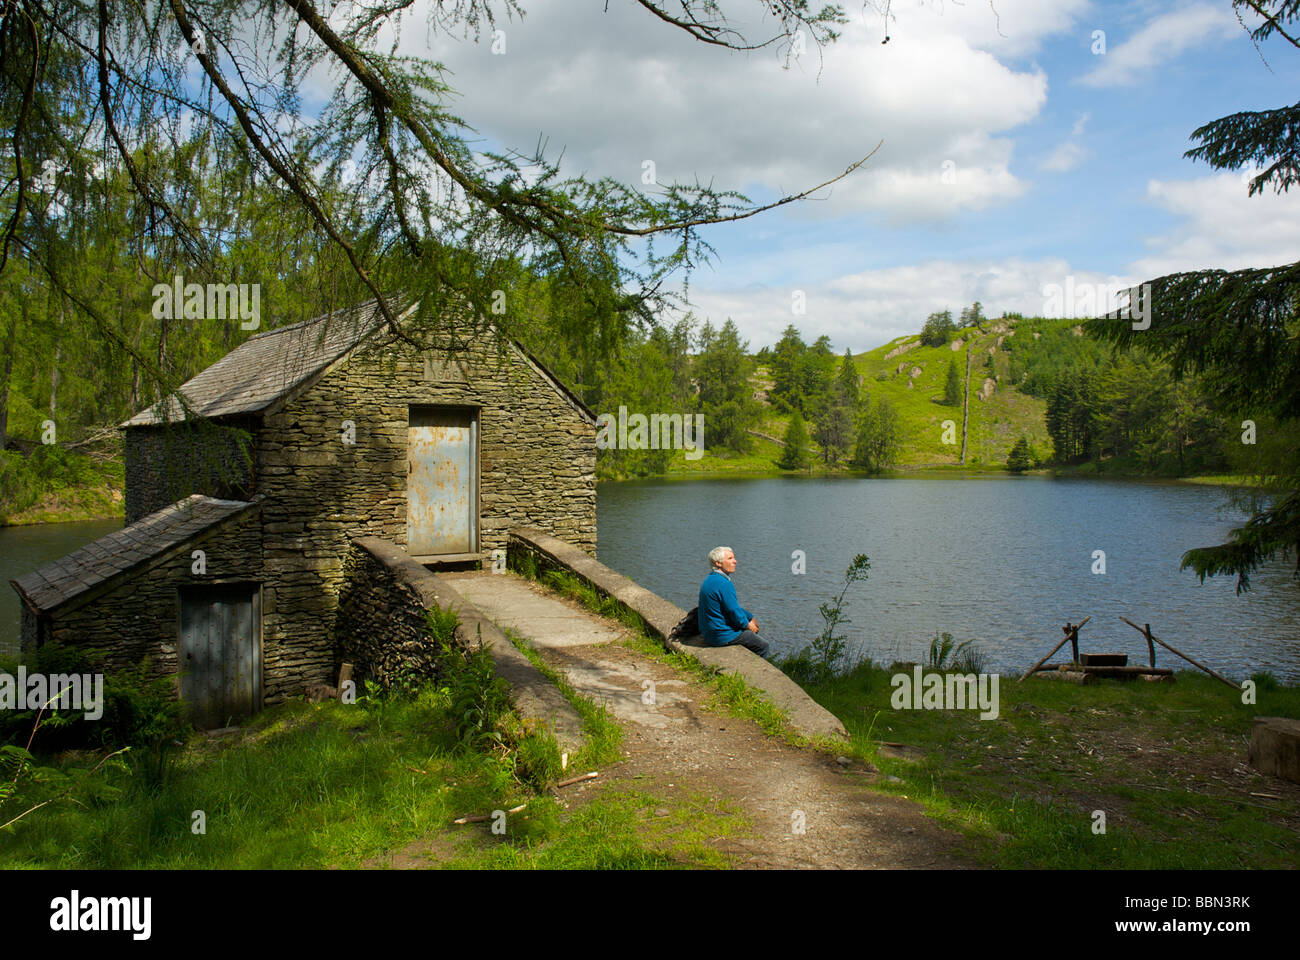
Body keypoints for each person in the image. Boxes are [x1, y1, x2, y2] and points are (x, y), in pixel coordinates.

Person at [698, 546, 769, 656]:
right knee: (763, 645)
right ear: (718, 563)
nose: (735, 561)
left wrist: (750, 616)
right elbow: (733, 611)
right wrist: (748, 625)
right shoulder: (724, 584)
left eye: (734, 558)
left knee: (750, 630)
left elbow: (730, 606)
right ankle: (751, 671)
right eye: (730, 559)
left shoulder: (711, 579)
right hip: (720, 636)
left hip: (709, 632)